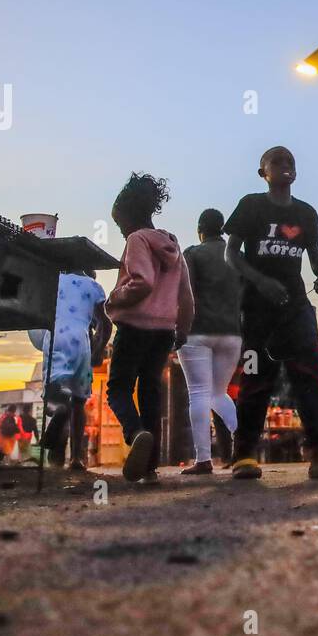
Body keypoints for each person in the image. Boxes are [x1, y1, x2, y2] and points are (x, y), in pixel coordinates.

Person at [224, 146, 318, 481]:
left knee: (310, 371)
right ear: (263, 173)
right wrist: (260, 281)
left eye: (290, 163)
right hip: (257, 307)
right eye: (277, 163)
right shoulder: (251, 205)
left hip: (296, 305)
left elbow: (314, 255)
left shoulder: (306, 213)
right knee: (257, 376)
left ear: (296, 173)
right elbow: (231, 253)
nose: (285, 167)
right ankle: (244, 455)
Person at [105, 172, 194, 484]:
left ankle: (135, 432)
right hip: (163, 331)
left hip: (134, 326)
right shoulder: (172, 244)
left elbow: (142, 281)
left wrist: (113, 299)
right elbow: (186, 294)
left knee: (117, 388)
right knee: (150, 392)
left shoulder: (136, 240)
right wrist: (181, 329)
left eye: (119, 225)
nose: (120, 231)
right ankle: (150, 467)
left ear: (128, 217)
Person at [177, 208, 243, 476]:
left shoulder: (192, 254)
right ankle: (244, 443)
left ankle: (203, 459)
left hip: (198, 331)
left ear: (200, 230)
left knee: (199, 393)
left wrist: (178, 329)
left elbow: (185, 294)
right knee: (217, 392)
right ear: (223, 229)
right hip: (232, 333)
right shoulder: (238, 256)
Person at [30, 269, 110, 471]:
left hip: (55, 335)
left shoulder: (53, 280)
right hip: (82, 340)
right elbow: (105, 324)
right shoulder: (94, 286)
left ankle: (58, 417)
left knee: (55, 393)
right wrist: (99, 350)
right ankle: (76, 458)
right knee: (78, 402)